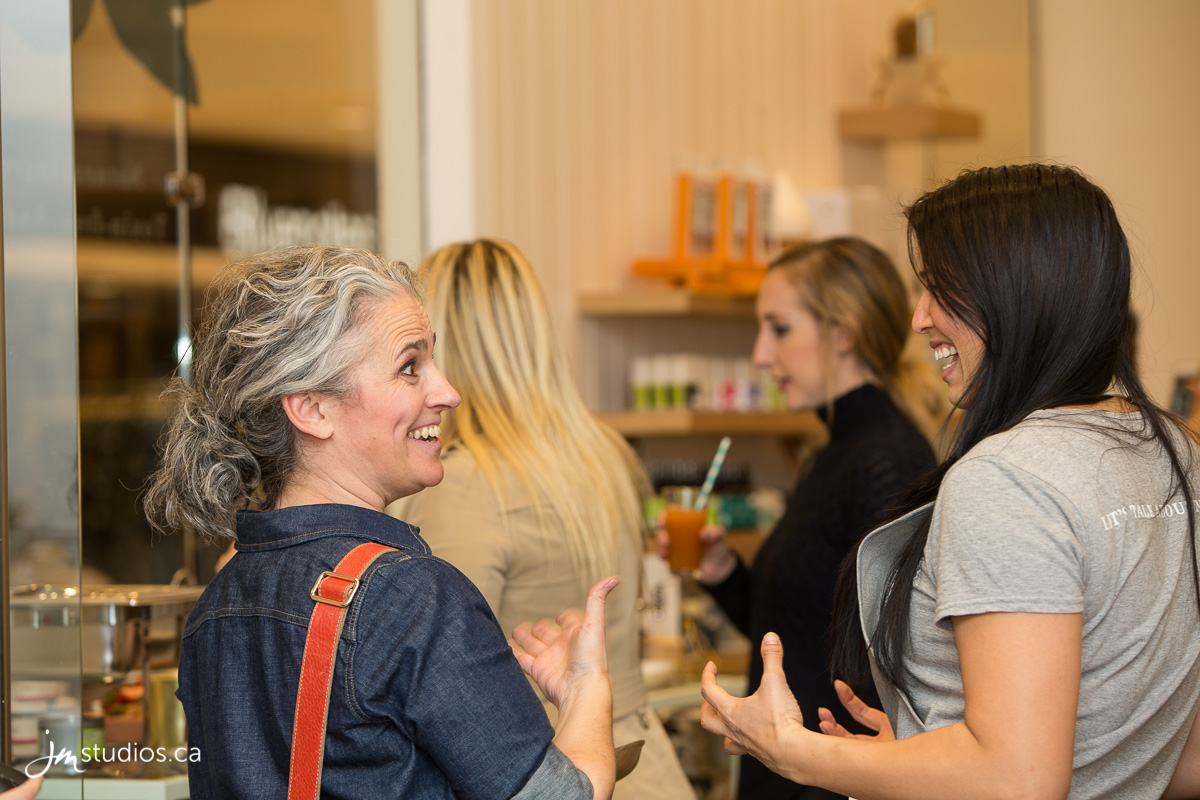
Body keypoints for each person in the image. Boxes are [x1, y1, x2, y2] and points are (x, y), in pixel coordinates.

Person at [699, 163, 1200, 800]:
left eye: (941, 289)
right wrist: (923, 750)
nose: (920, 319)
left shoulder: (1009, 478)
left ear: (1018, 293)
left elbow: (1015, 779)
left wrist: (793, 752)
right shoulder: (1171, 453)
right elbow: (1180, 759)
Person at [143, 244, 620, 800]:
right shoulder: (414, 600)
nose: (448, 393)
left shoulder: (218, 603)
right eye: (409, 367)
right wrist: (588, 690)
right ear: (312, 408)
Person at [389, 238, 694, 800]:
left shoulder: (465, 483)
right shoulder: (601, 454)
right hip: (643, 766)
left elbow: (437, 676)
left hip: (553, 777)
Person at [660, 236, 944, 800]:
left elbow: (886, 665)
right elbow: (799, 633)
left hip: (829, 776)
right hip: (798, 767)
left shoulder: (885, 460)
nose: (762, 355)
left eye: (780, 328)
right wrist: (723, 573)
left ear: (843, 333)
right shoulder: (831, 453)